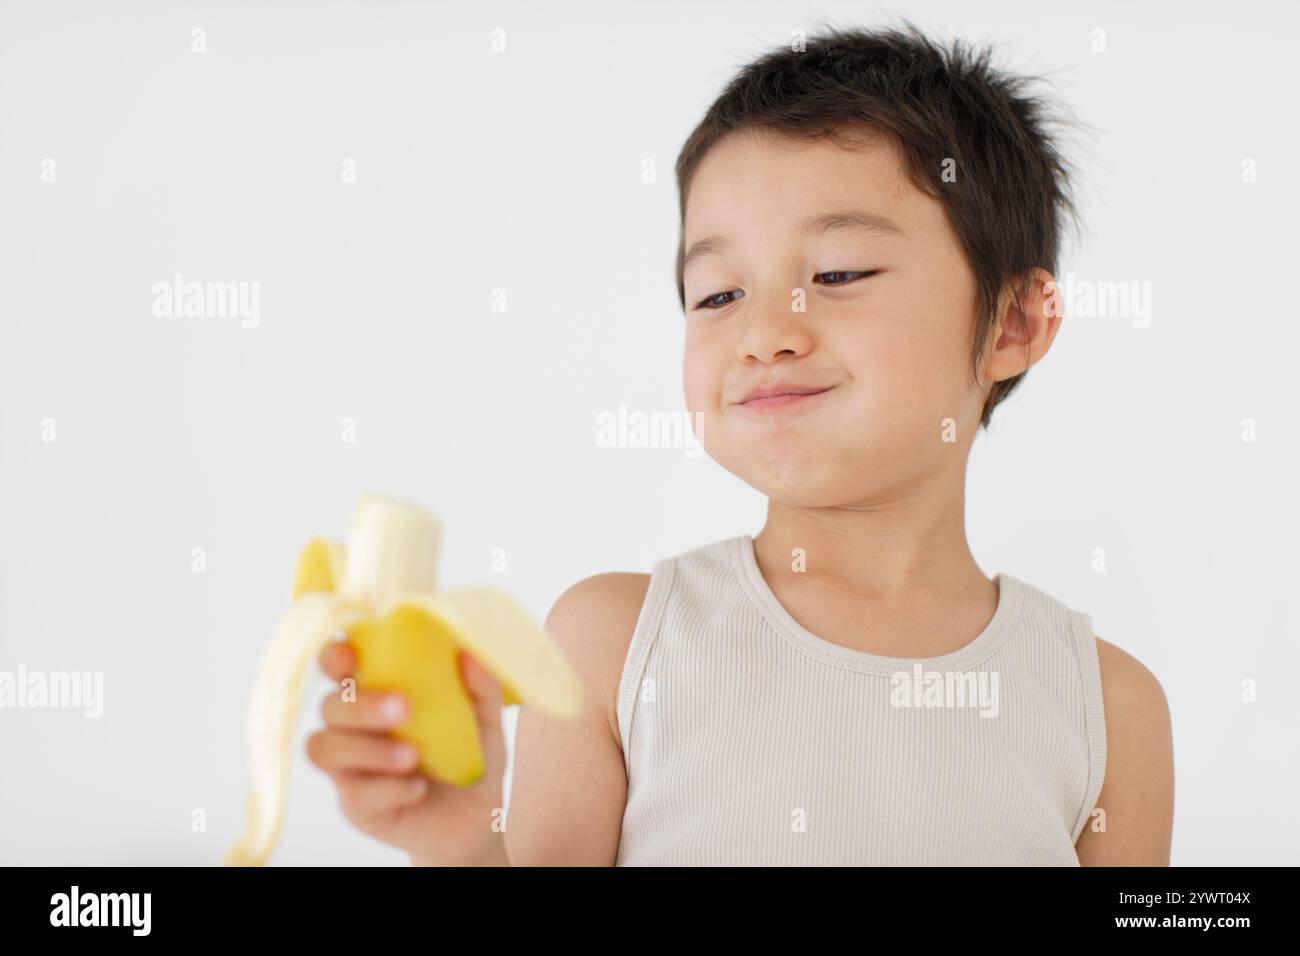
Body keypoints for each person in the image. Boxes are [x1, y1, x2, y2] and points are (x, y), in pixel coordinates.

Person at [305, 21, 1174, 866]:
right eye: (718, 294)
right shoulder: (615, 643)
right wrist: (461, 849)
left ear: (1014, 322)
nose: (765, 333)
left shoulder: (1108, 707)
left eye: (837, 275)